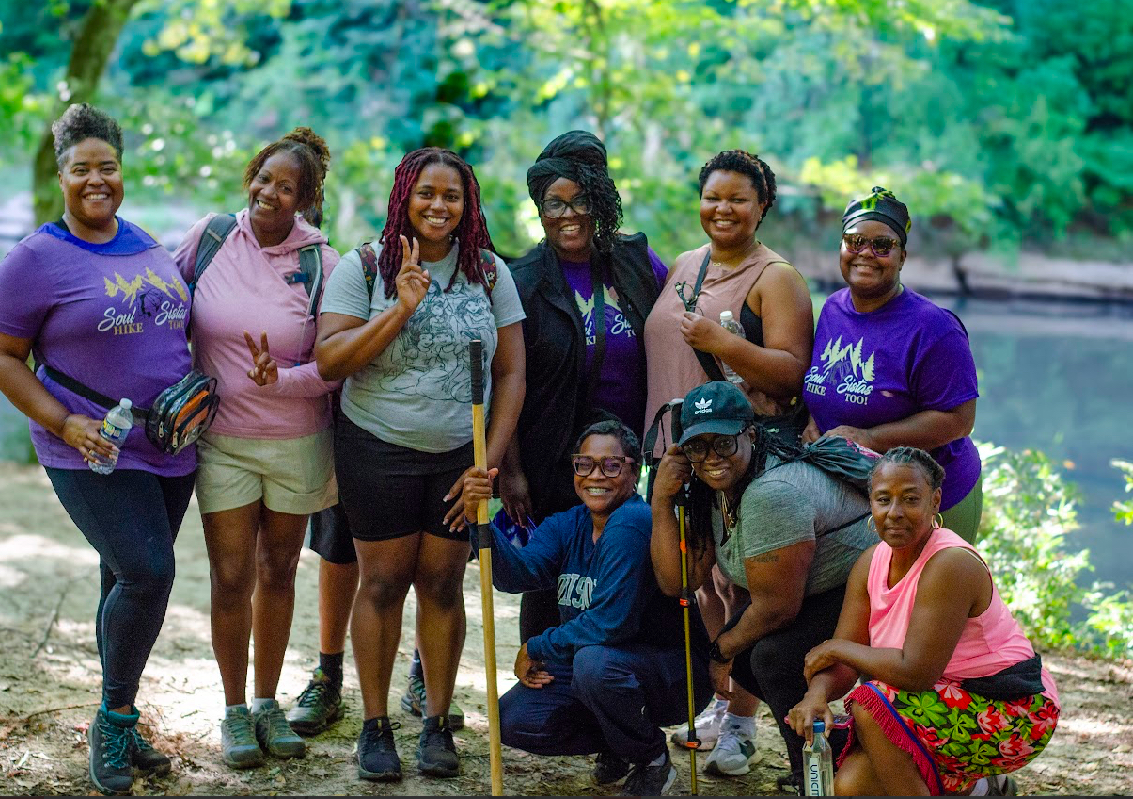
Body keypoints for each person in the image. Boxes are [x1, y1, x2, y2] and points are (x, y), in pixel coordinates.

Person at [0, 103, 196, 794]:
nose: (95, 180)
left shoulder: (144, 241)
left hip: (171, 445)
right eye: (81, 169)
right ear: (61, 176)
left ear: (122, 171)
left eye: (106, 167)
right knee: (148, 571)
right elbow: (4, 354)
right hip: (91, 448)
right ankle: (111, 721)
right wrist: (61, 421)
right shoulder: (36, 258)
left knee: (124, 576)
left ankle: (121, 711)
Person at [315, 147, 525, 781]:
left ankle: (436, 723)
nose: (440, 206)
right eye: (427, 193)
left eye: (453, 196)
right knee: (381, 584)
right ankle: (375, 726)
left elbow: (512, 372)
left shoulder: (488, 272)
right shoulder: (364, 268)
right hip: (377, 445)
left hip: (459, 456)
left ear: (469, 206)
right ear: (404, 196)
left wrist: (486, 460)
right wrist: (401, 307)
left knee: (441, 586)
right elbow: (330, 361)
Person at [171, 127, 340, 769]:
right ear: (251, 177)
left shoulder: (320, 263)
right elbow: (165, 310)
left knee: (279, 570)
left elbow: (336, 361)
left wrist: (284, 378)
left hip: (297, 442)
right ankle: (236, 710)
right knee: (230, 576)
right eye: (264, 178)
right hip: (222, 441)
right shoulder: (212, 238)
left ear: (306, 199)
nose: (270, 192)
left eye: (287, 186)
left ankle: (270, 701)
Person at [643, 149, 814, 772]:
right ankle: (723, 704)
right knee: (701, 585)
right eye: (713, 197)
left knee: (740, 585)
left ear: (762, 206)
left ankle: (743, 723)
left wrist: (723, 342)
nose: (723, 209)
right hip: (677, 453)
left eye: (738, 199)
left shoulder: (777, 278)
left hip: (744, 460)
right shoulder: (686, 265)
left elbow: (794, 373)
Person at [788, 447, 1060, 796]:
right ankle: (979, 790)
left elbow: (915, 671)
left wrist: (836, 647)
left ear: (935, 502)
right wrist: (816, 694)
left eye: (910, 499)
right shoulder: (870, 562)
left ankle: (972, 782)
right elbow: (841, 666)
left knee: (871, 701)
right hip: (937, 702)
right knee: (851, 787)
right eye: (883, 499)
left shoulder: (950, 563)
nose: (895, 513)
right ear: (870, 503)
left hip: (1011, 708)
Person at [463, 419, 713, 797]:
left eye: (611, 466)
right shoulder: (569, 523)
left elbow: (610, 622)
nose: (596, 476)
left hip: (671, 675)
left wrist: (536, 647)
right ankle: (620, 742)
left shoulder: (632, 522)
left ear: (634, 470)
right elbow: (516, 576)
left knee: (594, 664)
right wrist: (476, 518)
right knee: (512, 719)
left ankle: (652, 759)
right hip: (603, 669)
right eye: (585, 464)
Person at [651, 381, 878, 790]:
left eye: (723, 442)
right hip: (821, 588)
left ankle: (817, 774)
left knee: (771, 657)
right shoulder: (714, 488)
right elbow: (678, 582)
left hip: (871, 586)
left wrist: (719, 652)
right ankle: (838, 750)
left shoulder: (770, 493)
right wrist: (661, 501)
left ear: (750, 435)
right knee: (752, 650)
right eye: (696, 447)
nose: (711, 457)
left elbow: (777, 609)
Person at [499, 130, 667, 650]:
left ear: (601, 204)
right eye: (554, 203)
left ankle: (604, 682)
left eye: (580, 201)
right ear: (539, 208)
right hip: (552, 461)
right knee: (550, 578)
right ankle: (543, 683)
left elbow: (672, 331)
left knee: (620, 569)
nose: (567, 215)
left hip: (626, 460)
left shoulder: (636, 265)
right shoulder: (522, 279)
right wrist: (512, 471)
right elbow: (504, 379)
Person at [802, 187, 982, 542]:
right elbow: (826, 377)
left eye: (882, 245)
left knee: (927, 596)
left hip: (934, 498)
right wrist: (815, 418)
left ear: (902, 257)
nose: (865, 253)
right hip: (865, 490)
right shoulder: (832, 309)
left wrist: (868, 438)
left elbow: (959, 421)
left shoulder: (933, 328)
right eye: (854, 242)